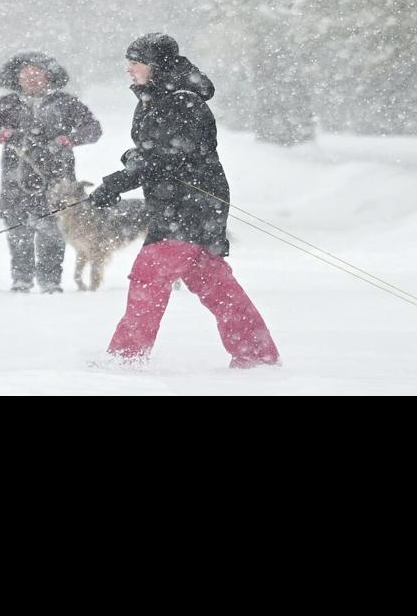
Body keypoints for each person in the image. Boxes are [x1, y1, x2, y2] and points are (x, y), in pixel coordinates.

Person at [90, 33, 280, 368]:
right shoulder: (158, 99)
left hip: (189, 204)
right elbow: (157, 151)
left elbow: (168, 157)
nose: (129, 69)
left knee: (149, 276)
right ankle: (256, 354)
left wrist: (114, 184)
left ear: (155, 65)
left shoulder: (179, 101)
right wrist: (133, 158)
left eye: (135, 62)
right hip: (190, 206)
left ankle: (126, 357)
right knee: (215, 284)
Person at [0, 51, 102, 293]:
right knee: (17, 232)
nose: (31, 78)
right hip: (16, 183)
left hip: (57, 184)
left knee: (53, 232)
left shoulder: (67, 103)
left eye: (37, 73)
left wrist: (69, 139)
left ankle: (50, 280)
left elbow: (93, 129)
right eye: (25, 74)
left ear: (49, 76)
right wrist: (2, 134)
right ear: (16, 78)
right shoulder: (6, 104)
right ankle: (21, 279)